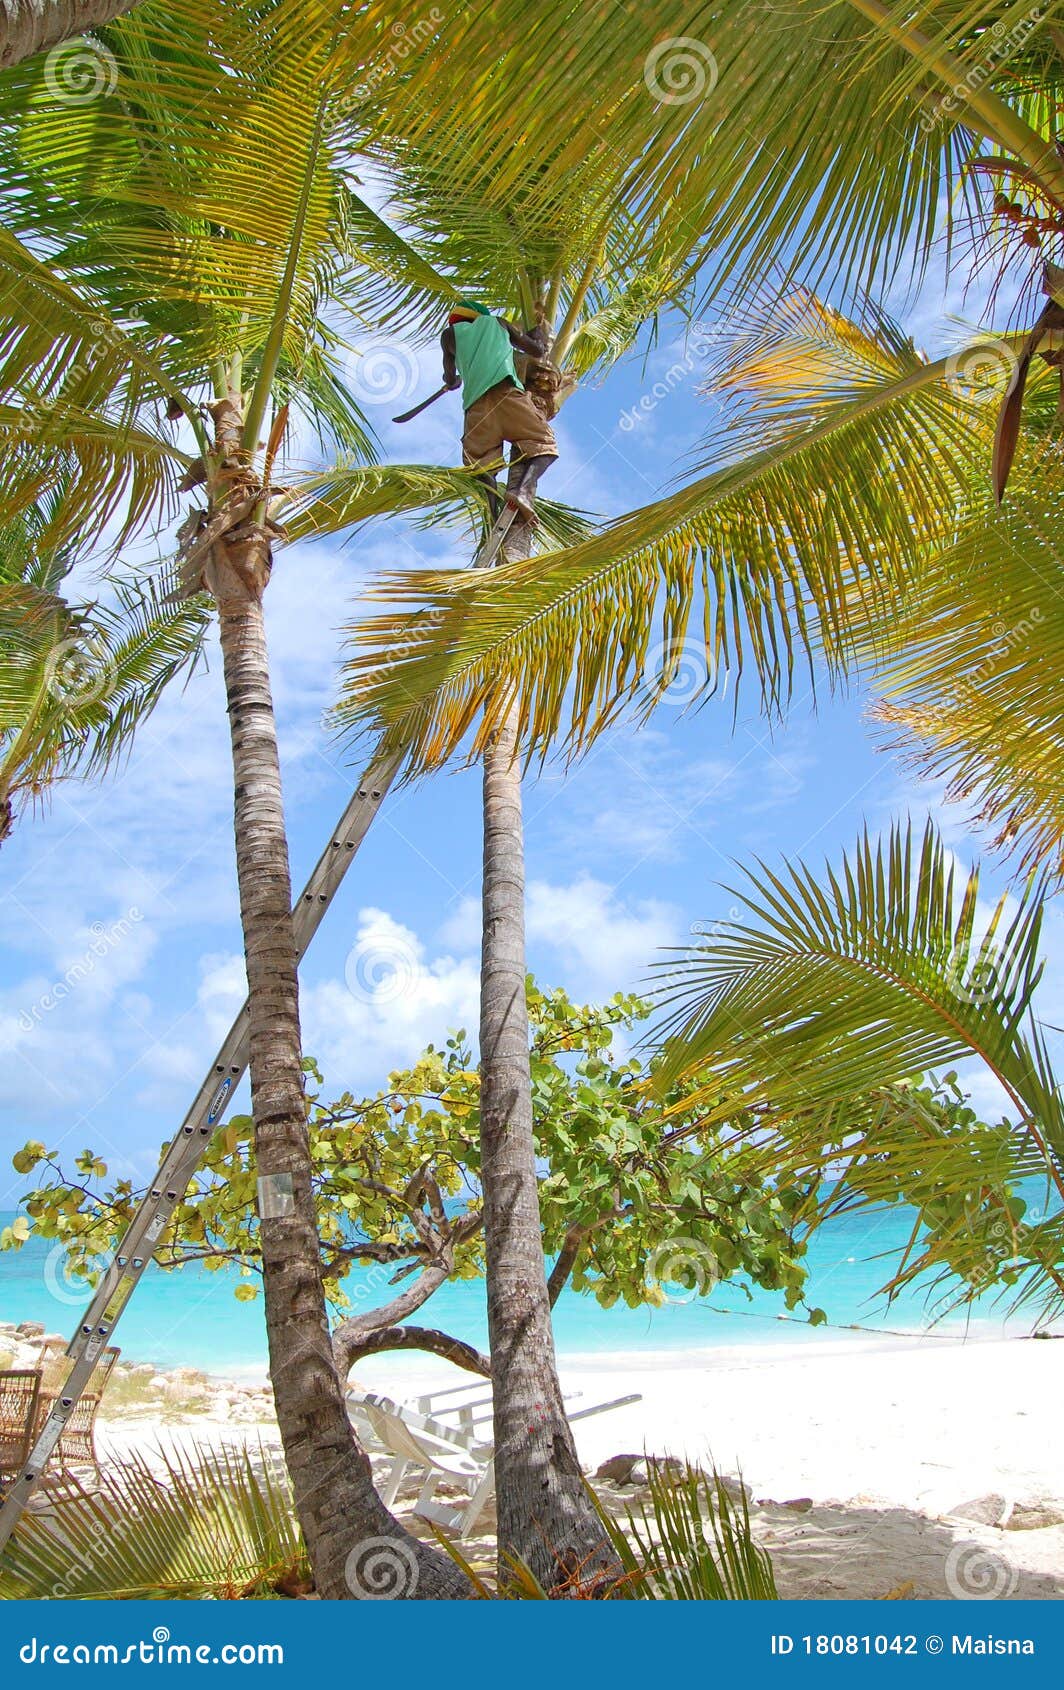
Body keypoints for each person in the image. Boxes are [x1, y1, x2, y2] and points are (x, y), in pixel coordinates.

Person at [441, 300, 558, 520]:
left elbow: (449, 375)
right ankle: (522, 492)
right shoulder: (498, 323)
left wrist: (452, 380)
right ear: (479, 315)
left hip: (476, 409)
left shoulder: (449, 336)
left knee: (481, 467)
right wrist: (539, 337)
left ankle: (492, 516)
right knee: (545, 446)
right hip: (506, 395)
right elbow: (535, 350)